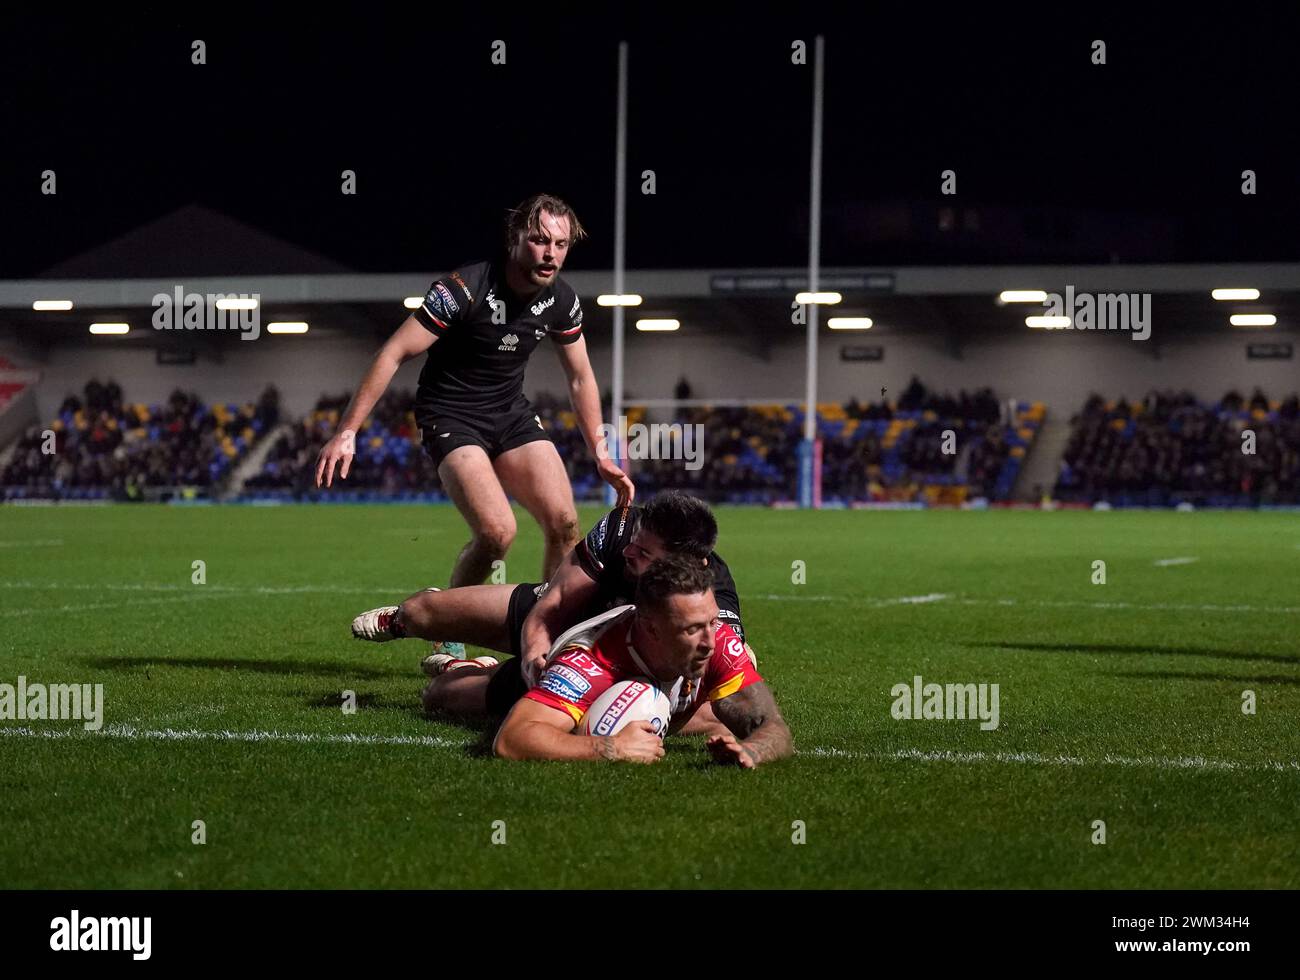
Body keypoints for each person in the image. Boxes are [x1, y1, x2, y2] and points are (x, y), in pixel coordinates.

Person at [314, 193, 633, 599]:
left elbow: (581, 378)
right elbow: (393, 353)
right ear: (514, 238)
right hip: (450, 415)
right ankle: (448, 633)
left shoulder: (562, 300)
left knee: (565, 524)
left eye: (561, 244)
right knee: (498, 534)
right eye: (539, 240)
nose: (550, 253)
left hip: (510, 413)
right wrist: (347, 431)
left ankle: (544, 634)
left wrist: (601, 454)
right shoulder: (463, 289)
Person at [349, 491, 751, 732]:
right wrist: (534, 656)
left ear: (686, 565)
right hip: (570, 616)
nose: (630, 551)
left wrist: (609, 712)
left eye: (645, 554)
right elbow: (553, 604)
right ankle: (404, 620)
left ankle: (464, 671)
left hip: (605, 667)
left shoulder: (710, 599)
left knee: (438, 697)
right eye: (635, 542)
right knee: (422, 611)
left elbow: (720, 680)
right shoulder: (621, 531)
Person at [493, 557, 792, 767]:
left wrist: (750, 751)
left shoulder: (718, 641)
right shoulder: (586, 665)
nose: (710, 642)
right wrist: (613, 748)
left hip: (673, 704)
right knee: (455, 693)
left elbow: (774, 727)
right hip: (540, 676)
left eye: (712, 622)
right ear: (650, 628)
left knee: (722, 720)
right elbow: (511, 739)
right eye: (691, 629)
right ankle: (462, 666)